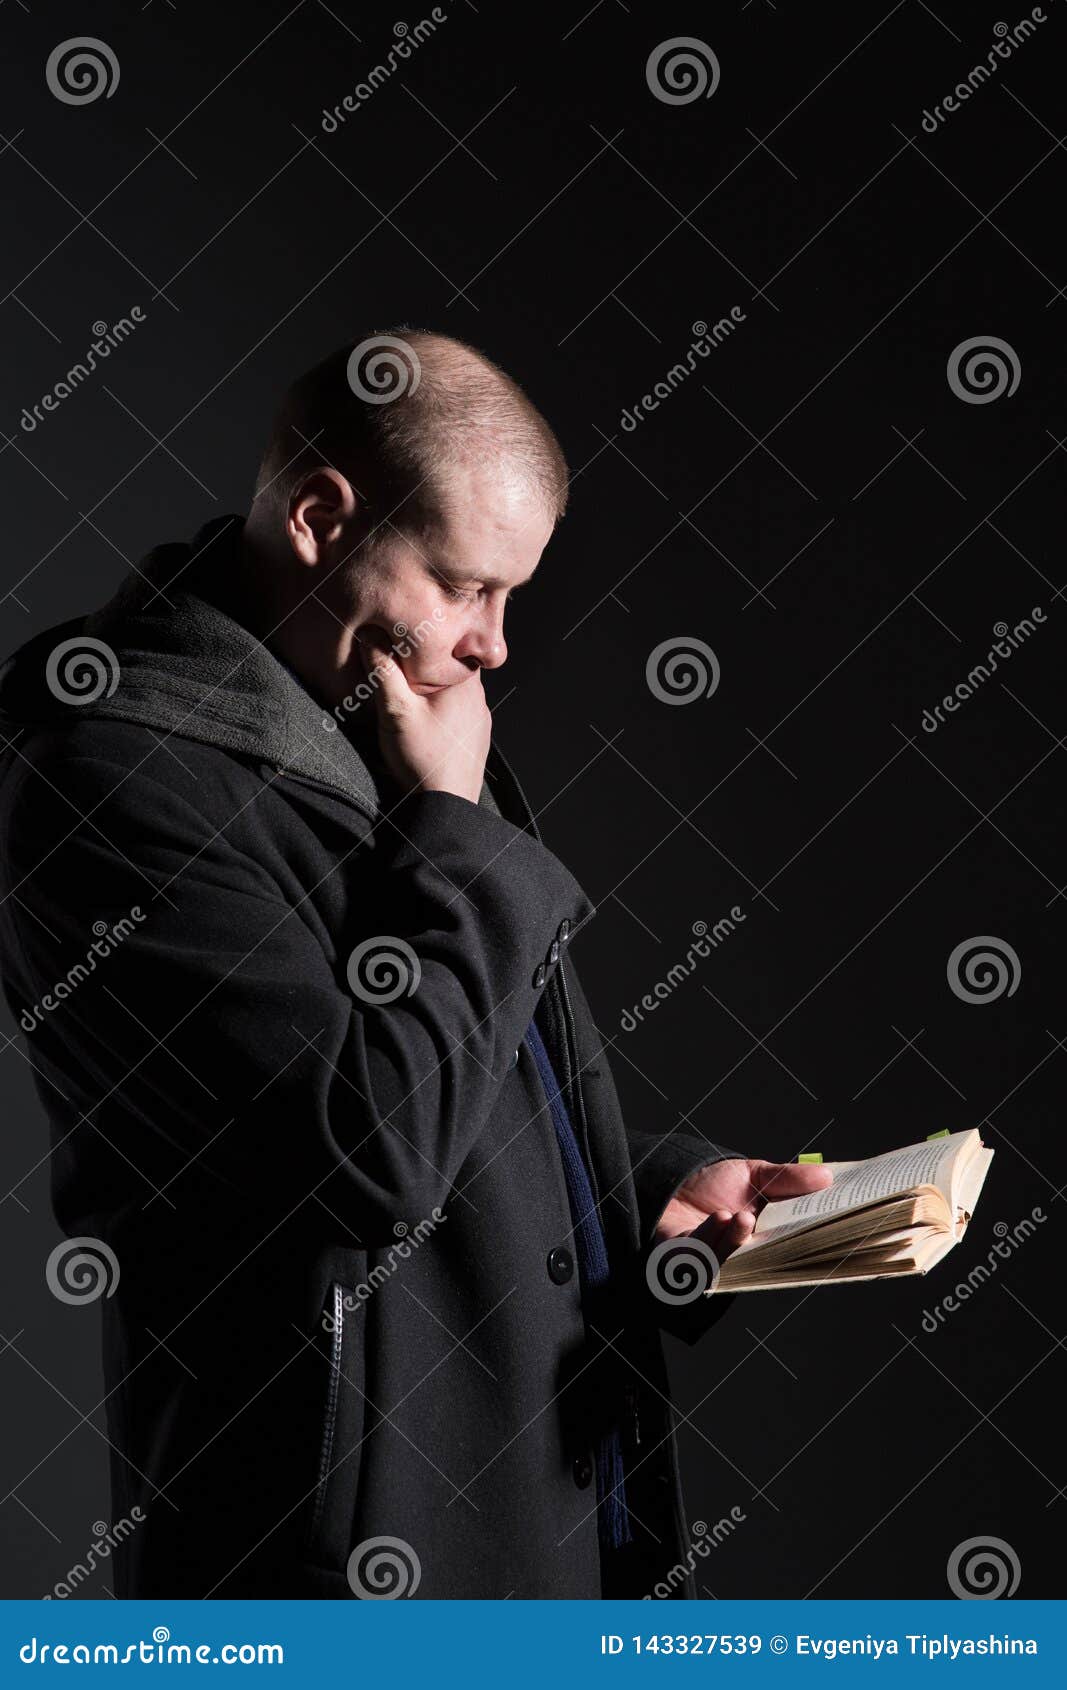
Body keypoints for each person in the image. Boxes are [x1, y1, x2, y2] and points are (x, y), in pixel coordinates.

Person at [0, 328, 831, 1599]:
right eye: (462, 584)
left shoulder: (385, 715)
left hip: (539, 1522)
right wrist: (453, 829)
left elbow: (464, 1068)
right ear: (322, 519)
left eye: (512, 596)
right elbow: (363, 1153)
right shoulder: (108, 781)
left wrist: (637, 1194)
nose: (493, 643)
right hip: (331, 1579)